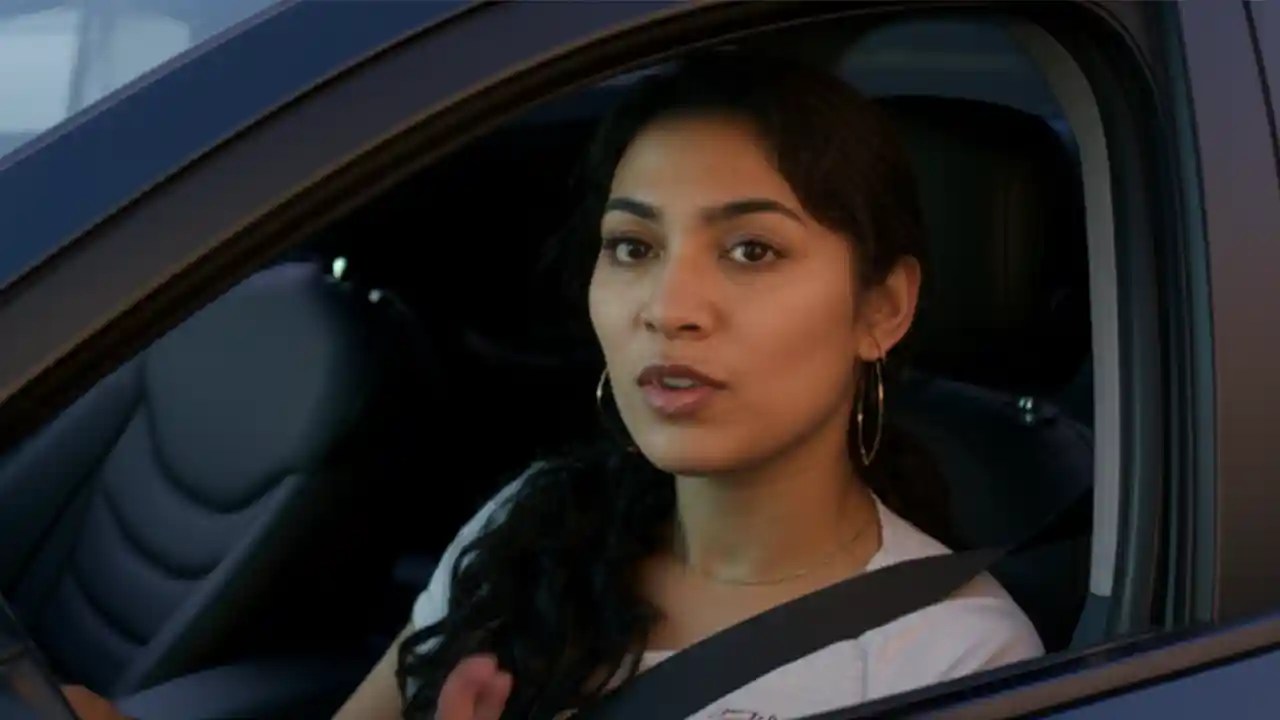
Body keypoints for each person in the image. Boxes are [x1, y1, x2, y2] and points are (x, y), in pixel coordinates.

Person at [66, 51, 1043, 720]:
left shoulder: (953, 659)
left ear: (881, 308)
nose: (669, 306)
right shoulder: (533, 527)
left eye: (749, 249)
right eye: (631, 247)